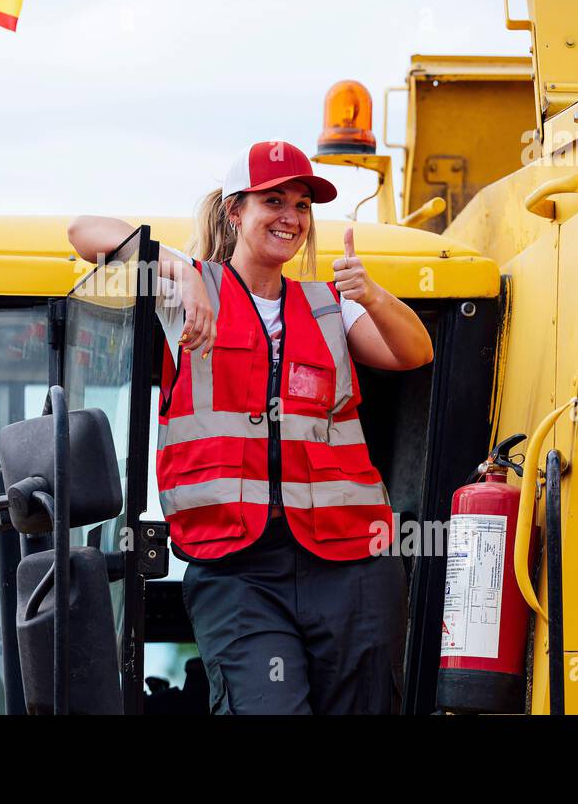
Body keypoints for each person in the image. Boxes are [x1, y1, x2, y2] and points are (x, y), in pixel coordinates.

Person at [67, 140, 433, 714]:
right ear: (235, 210)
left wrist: (375, 294)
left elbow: (412, 353)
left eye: (303, 205)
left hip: (351, 565)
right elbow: (83, 231)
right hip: (240, 571)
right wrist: (175, 269)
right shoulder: (185, 291)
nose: (291, 217)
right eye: (275, 200)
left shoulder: (331, 304)